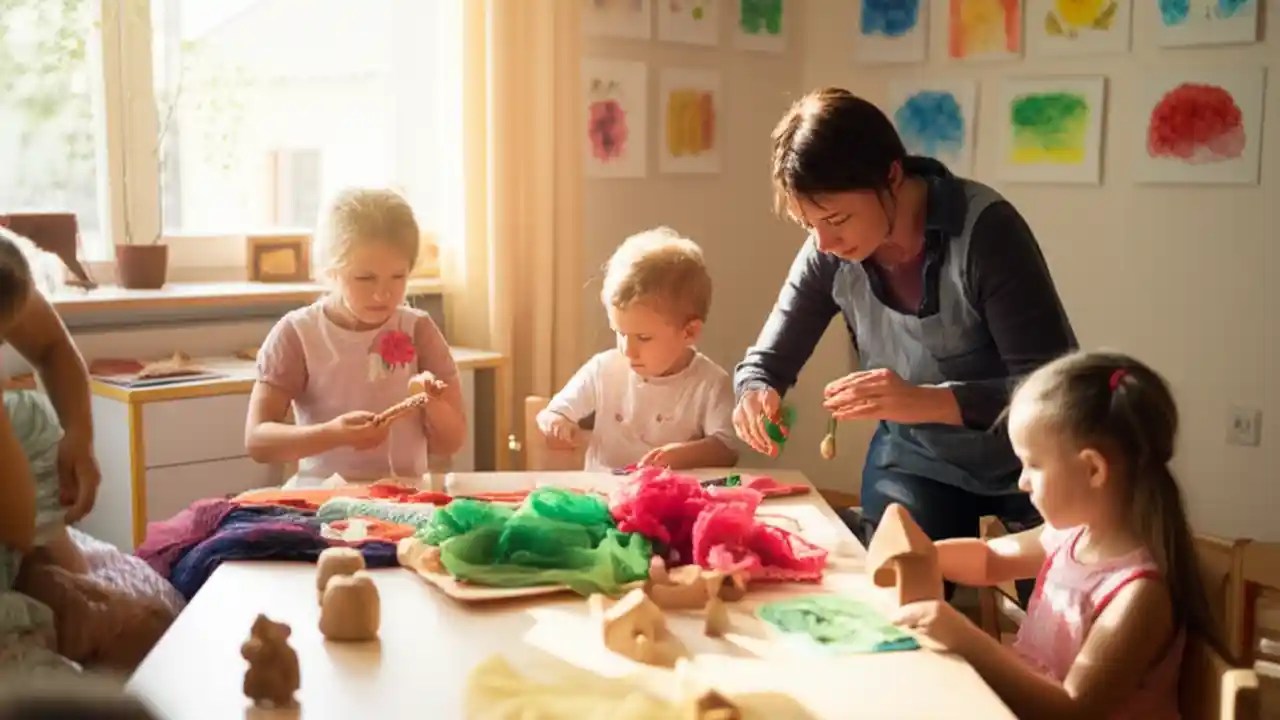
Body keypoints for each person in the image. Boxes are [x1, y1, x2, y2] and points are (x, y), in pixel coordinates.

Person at [733, 88, 1078, 579]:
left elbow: (1053, 392)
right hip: (917, 460)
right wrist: (756, 390)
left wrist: (926, 401)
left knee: (1059, 607)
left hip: (1034, 460)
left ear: (892, 175)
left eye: (836, 219)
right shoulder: (828, 253)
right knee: (894, 587)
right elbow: (766, 362)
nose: (824, 242)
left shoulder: (986, 232)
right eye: (808, 225)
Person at [891, 351, 1213, 719]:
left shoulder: (1139, 595)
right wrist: (921, 555)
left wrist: (965, 638)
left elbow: (1072, 711)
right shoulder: (1071, 537)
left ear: (1092, 469)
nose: (1022, 482)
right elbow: (989, 560)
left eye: (1033, 465)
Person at [246, 188, 467, 486]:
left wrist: (432, 403)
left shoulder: (419, 329)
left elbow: (451, 443)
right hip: (321, 498)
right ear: (332, 271)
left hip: (405, 497)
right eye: (365, 278)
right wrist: (332, 434)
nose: (382, 294)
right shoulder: (298, 333)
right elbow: (258, 440)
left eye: (398, 277)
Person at [537, 227, 737, 471]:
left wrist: (682, 455)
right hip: (602, 492)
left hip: (670, 494)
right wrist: (557, 423)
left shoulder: (711, 383)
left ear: (689, 333)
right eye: (620, 333)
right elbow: (554, 413)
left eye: (643, 337)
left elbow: (727, 449)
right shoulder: (603, 369)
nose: (628, 351)